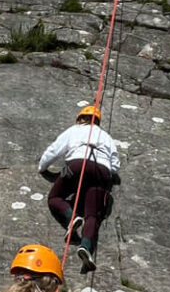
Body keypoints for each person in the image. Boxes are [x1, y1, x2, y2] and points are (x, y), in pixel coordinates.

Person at [40, 106, 120, 274]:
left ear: (80, 118)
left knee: (55, 198)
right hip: (102, 171)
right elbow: (115, 165)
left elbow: (54, 150)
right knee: (93, 215)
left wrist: (42, 167)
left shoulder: (74, 130)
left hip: (77, 164)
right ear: (97, 121)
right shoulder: (107, 137)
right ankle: (85, 247)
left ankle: (72, 218)